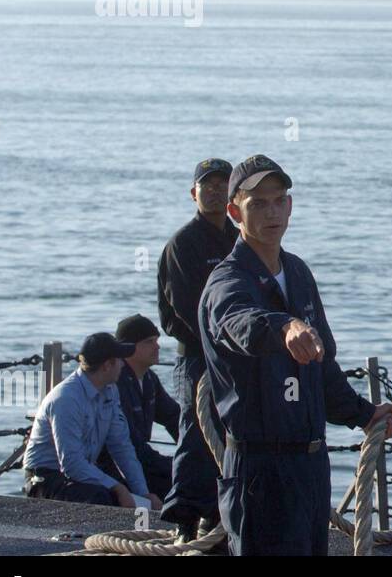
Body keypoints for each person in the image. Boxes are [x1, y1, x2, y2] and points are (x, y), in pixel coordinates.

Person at [200, 155, 392, 555]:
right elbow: (239, 322)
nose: (272, 212)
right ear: (233, 211)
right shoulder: (226, 281)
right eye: (257, 203)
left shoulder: (298, 273)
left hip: (310, 466)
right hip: (260, 471)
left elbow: (322, 369)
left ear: (290, 205)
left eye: (279, 200)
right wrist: (284, 327)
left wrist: (363, 414)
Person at [157, 157, 240, 541]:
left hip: (235, 356)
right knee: (195, 430)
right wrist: (218, 344)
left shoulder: (239, 239)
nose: (214, 190)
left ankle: (217, 515)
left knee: (231, 431)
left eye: (222, 184)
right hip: (196, 358)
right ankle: (184, 519)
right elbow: (185, 308)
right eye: (207, 185)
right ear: (194, 193)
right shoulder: (183, 244)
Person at [24, 332, 163, 511]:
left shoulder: (110, 390)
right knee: (102, 497)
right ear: (107, 365)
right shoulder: (67, 399)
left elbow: (121, 447)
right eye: (119, 360)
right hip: (45, 478)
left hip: (76, 473)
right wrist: (118, 488)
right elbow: (71, 463)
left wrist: (143, 493)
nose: (123, 365)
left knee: (150, 490)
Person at [97, 315, 180, 499]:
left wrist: (195, 451)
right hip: (116, 468)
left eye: (157, 341)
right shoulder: (117, 384)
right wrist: (175, 465)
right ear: (128, 348)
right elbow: (131, 445)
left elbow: (174, 417)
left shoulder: (149, 379)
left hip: (141, 462)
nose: (157, 346)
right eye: (149, 342)